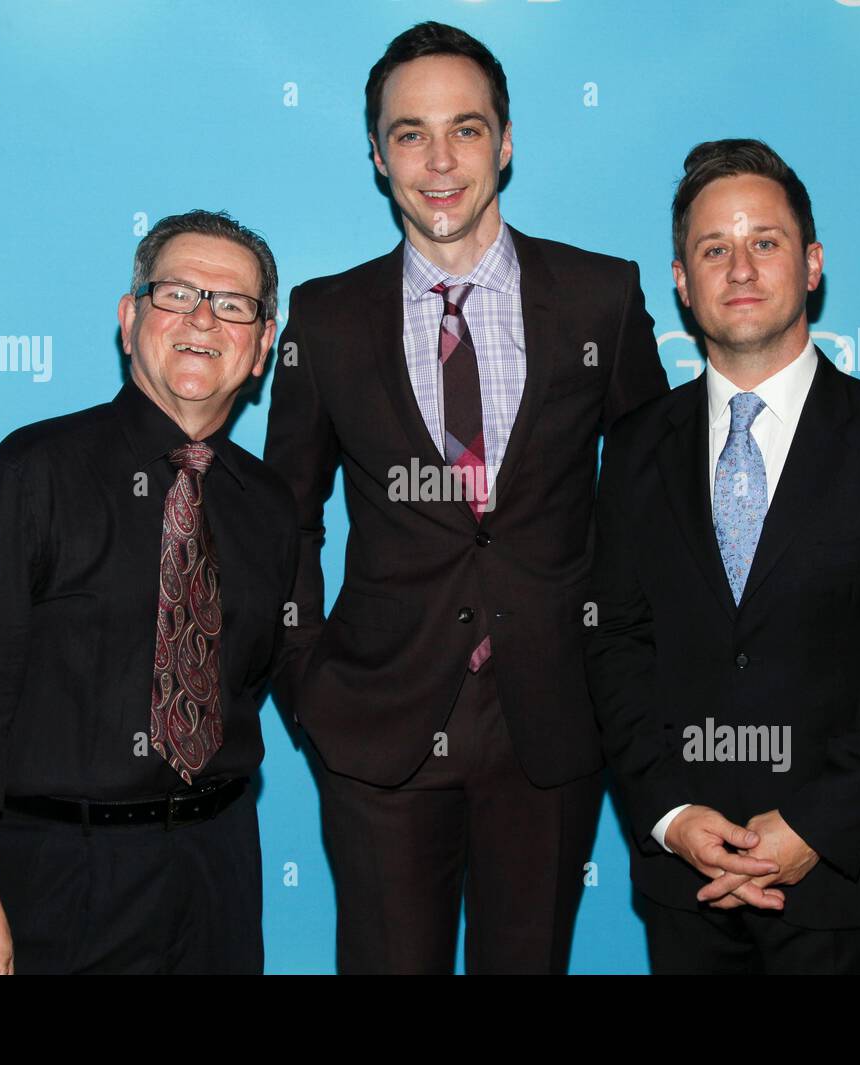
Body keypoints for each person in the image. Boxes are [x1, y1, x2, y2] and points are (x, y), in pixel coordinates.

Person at [263, 21, 668, 974]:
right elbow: (287, 513)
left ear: (508, 140)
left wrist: (635, 674)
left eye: (466, 129)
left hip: (555, 716)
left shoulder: (599, 298)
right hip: (378, 718)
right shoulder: (324, 316)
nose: (439, 161)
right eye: (410, 133)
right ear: (376, 154)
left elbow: (658, 504)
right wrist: (304, 676)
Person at [586, 139, 860, 974]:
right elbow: (614, 640)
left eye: (765, 241)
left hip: (848, 878)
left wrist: (814, 829)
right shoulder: (635, 445)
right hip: (685, 880)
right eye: (713, 249)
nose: (741, 268)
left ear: (813, 264)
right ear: (683, 282)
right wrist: (670, 813)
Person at [0, 210, 297, 974]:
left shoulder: (268, 506)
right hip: (59, 877)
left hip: (220, 874)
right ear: (129, 317)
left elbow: (254, 676)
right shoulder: (32, 473)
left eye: (233, 304)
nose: (203, 318)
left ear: (261, 345)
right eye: (177, 292)